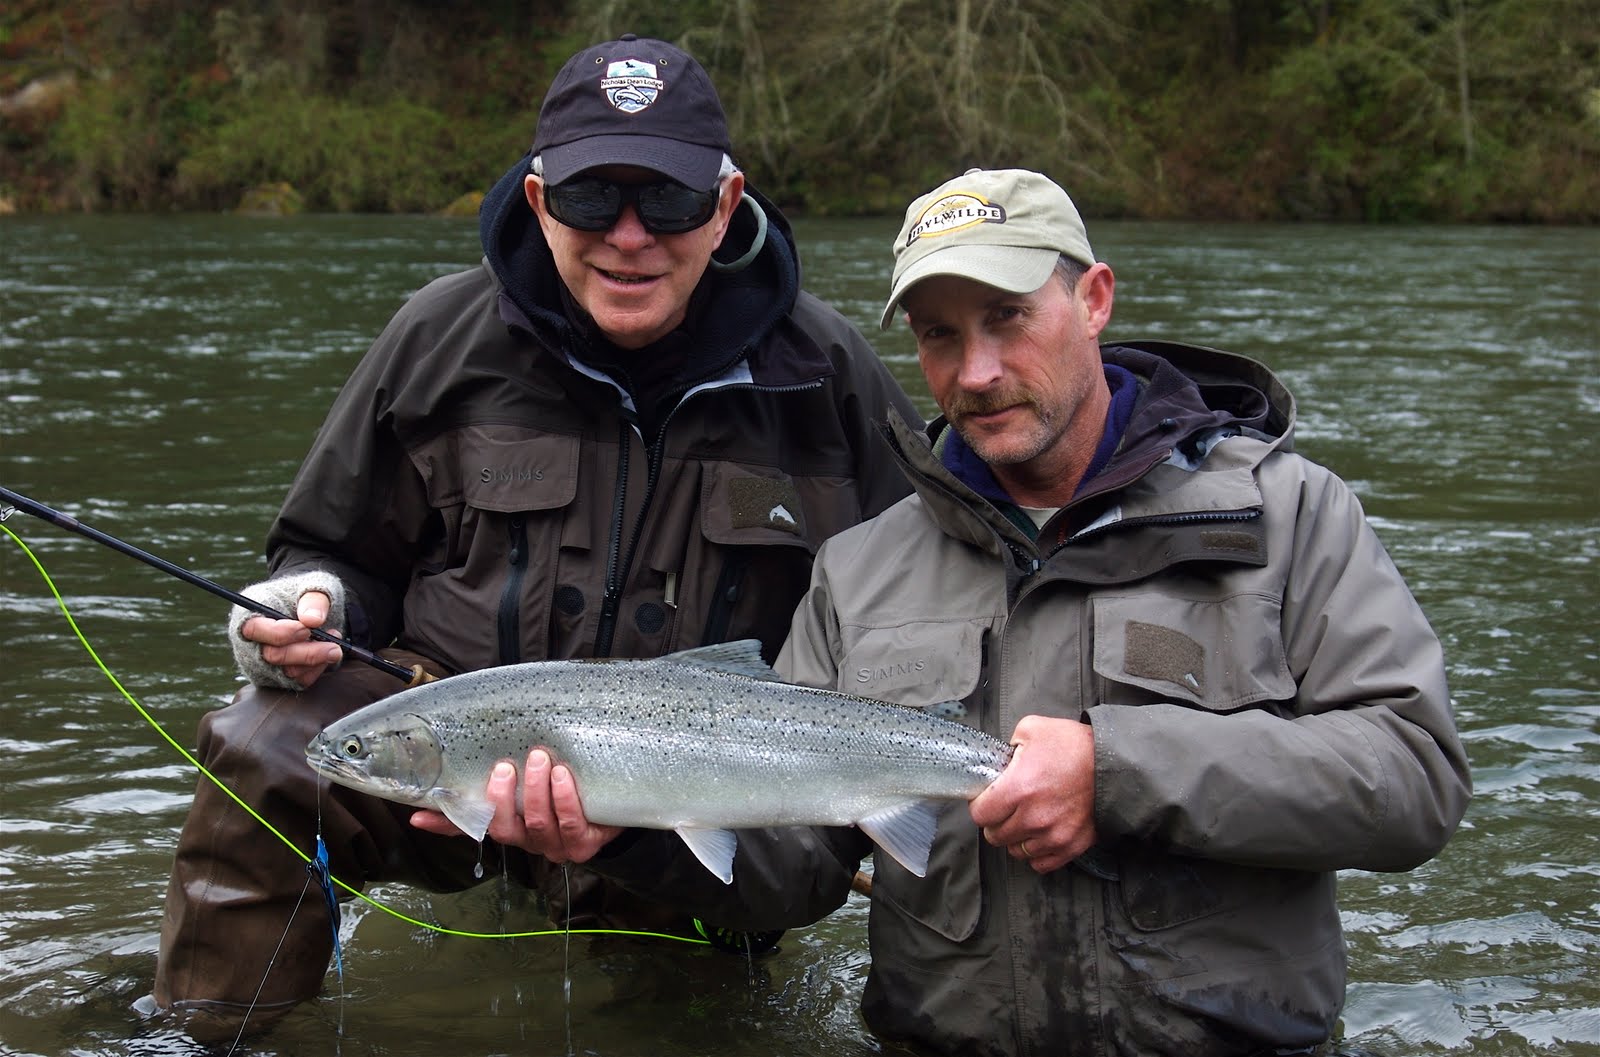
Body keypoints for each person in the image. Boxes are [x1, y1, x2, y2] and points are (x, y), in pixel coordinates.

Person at [493, 168, 1474, 1056]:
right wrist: (630, 825)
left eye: (1007, 318)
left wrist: (1120, 771)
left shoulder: (1285, 514)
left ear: (1093, 299)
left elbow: (1414, 779)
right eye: (938, 335)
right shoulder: (861, 568)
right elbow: (797, 868)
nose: (974, 371)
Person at [149, 34, 921, 1028]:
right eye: (593, 200)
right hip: (453, 756)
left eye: (670, 202)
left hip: (708, 784)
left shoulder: (828, 377)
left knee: (695, 1000)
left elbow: (919, 607)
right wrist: (310, 607)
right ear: (539, 200)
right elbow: (333, 550)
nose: (630, 238)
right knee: (269, 742)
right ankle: (196, 1036)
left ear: (726, 205)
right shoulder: (436, 342)